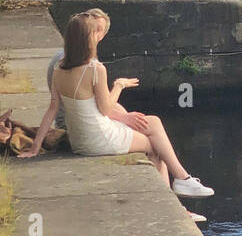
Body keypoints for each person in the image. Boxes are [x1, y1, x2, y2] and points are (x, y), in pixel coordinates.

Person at [19, 12, 214, 208]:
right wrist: (119, 86)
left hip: (79, 141)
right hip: (100, 140)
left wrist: (36, 147)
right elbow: (105, 109)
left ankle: (180, 187)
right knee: (155, 140)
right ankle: (178, 191)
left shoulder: (59, 68)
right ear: (91, 36)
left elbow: (52, 109)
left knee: (150, 126)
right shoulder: (95, 69)